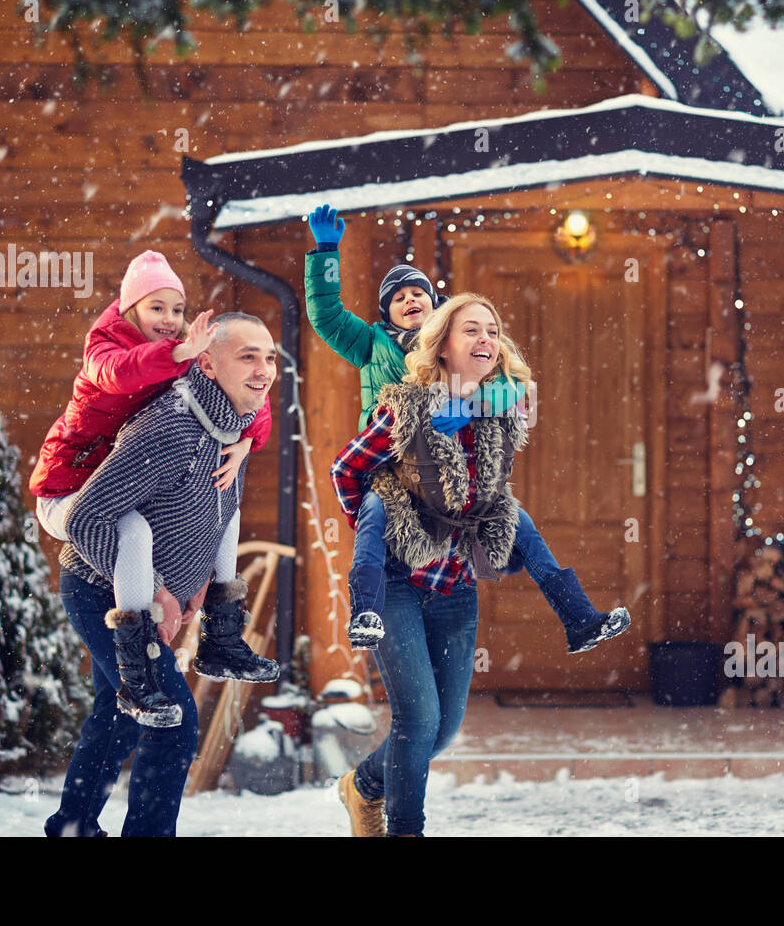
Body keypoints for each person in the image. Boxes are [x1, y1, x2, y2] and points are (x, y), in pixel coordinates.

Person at [304, 204, 630, 654]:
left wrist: (475, 404)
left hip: (451, 463)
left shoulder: (455, 345)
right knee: (374, 518)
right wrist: (325, 252)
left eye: (418, 293)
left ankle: (579, 618)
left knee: (522, 524)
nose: (410, 301)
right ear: (385, 312)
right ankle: (365, 613)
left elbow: (512, 384)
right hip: (393, 460)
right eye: (398, 298)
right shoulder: (371, 343)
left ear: (435, 309)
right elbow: (326, 316)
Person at [44, 313, 280, 837]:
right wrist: (155, 594)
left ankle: (72, 827)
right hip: (101, 589)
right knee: (172, 720)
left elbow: (212, 509)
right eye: (247, 356)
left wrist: (196, 582)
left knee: (119, 715)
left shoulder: (231, 425)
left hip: (156, 589)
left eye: (269, 357)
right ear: (206, 365)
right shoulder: (172, 427)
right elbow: (87, 518)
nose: (264, 369)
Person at [30, 251, 273, 725]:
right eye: (155, 307)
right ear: (128, 309)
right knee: (135, 531)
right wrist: (161, 592)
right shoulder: (105, 348)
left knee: (229, 501)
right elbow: (123, 373)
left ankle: (222, 635)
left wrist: (246, 439)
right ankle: (138, 670)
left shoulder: (184, 351)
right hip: (67, 490)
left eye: (177, 309)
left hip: (113, 483)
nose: (169, 319)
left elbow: (242, 393)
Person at [330, 293, 539, 837]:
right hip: (398, 583)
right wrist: (377, 521)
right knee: (418, 720)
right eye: (471, 330)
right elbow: (346, 469)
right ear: (441, 344)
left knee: (442, 731)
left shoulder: (493, 412)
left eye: (493, 331)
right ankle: (406, 827)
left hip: (454, 588)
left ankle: (362, 786)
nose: (485, 341)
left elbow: (495, 479)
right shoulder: (407, 405)